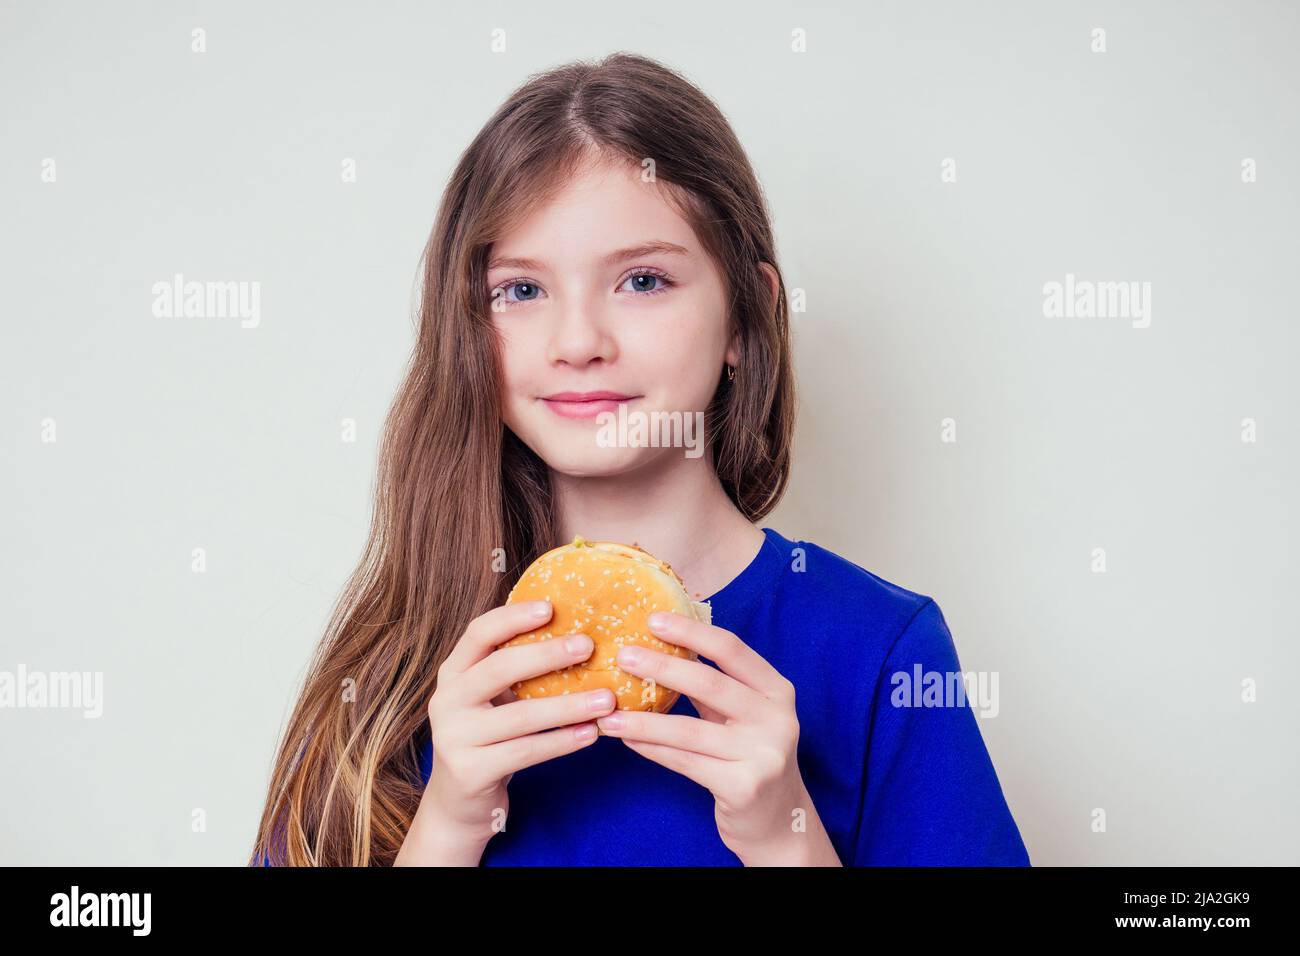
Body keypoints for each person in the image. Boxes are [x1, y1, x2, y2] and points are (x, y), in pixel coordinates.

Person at [251, 52, 1030, 867]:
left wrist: (783, 839)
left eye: (644, 280)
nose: (579, 342)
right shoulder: (401, 658)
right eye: (521, 291)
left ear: (745, 317)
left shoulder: (880, 650)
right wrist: (447, 824)